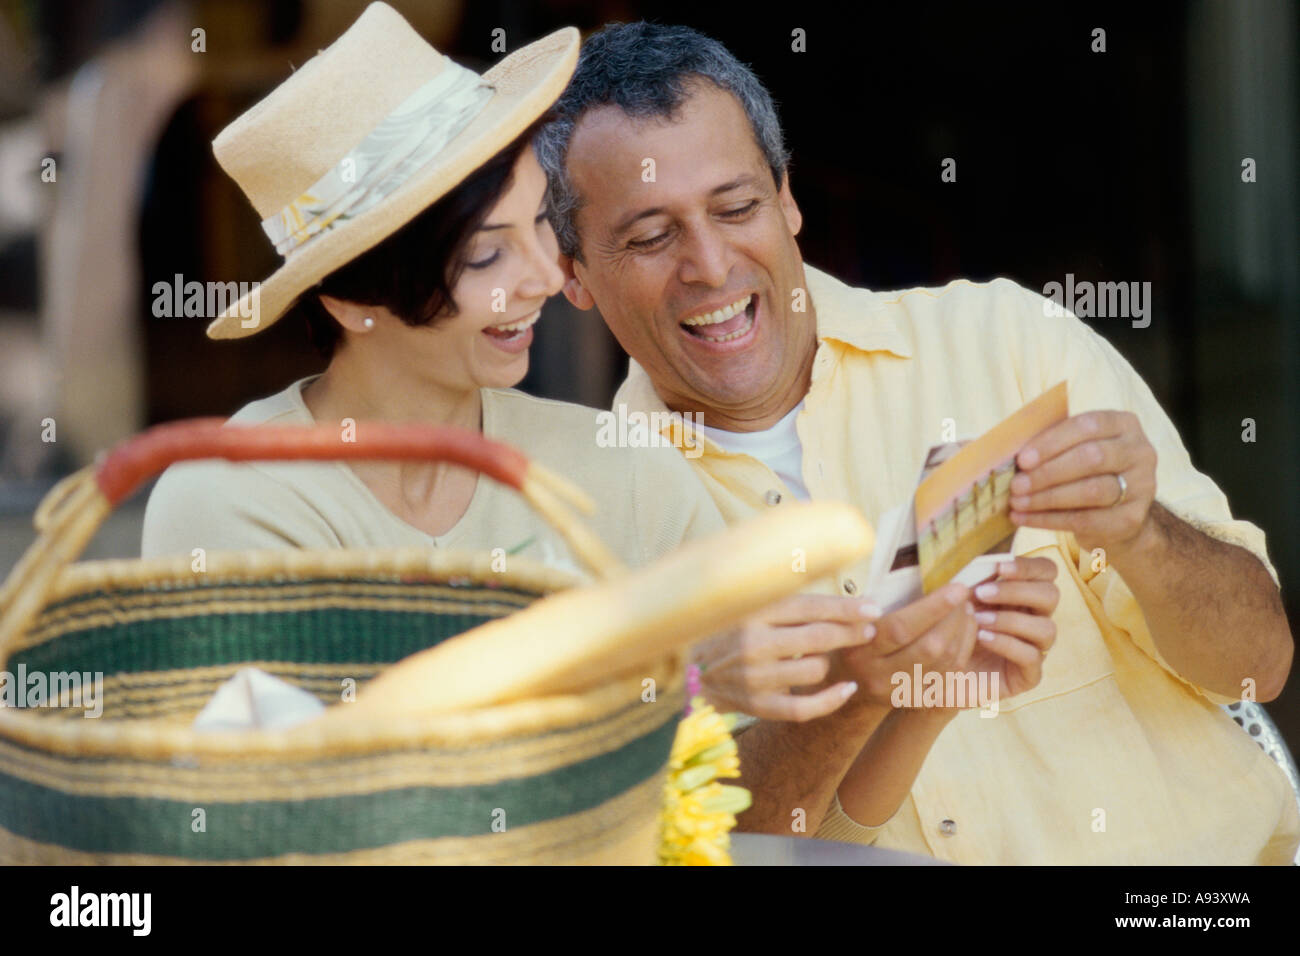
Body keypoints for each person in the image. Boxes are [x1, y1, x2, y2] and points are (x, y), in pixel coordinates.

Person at [534, 21, 1299, 863]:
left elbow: (1259, 668)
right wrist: (870, 690)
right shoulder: (583, 518)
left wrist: (1143, 535)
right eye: (650, 237)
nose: (710, 265)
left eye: (737, 207)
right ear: (570, 270)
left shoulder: (1011, 340)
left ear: (787, 198)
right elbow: (713, 847)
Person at [141, 5, 723, 575]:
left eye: (544, 221)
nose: (547, 277)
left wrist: (699, 676)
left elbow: (740, 658)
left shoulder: (625, 472)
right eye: (486, 254)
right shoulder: (231, 494)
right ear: (352, 298)